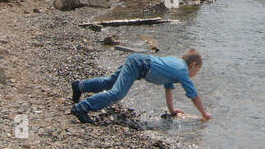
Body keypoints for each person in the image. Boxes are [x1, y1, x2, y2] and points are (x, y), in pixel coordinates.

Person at [69, 49, 211, 123]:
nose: (195, 74)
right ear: (192, 65)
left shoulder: (175, 65)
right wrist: (204, 114)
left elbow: (168, 88)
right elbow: (194, 95)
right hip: (138, 65)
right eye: (197, 71)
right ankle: (81, 108)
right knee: (117, 93)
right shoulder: (182, 72)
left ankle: (79, 86)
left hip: (137, 61)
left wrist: (172, 109)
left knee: (109, 82)